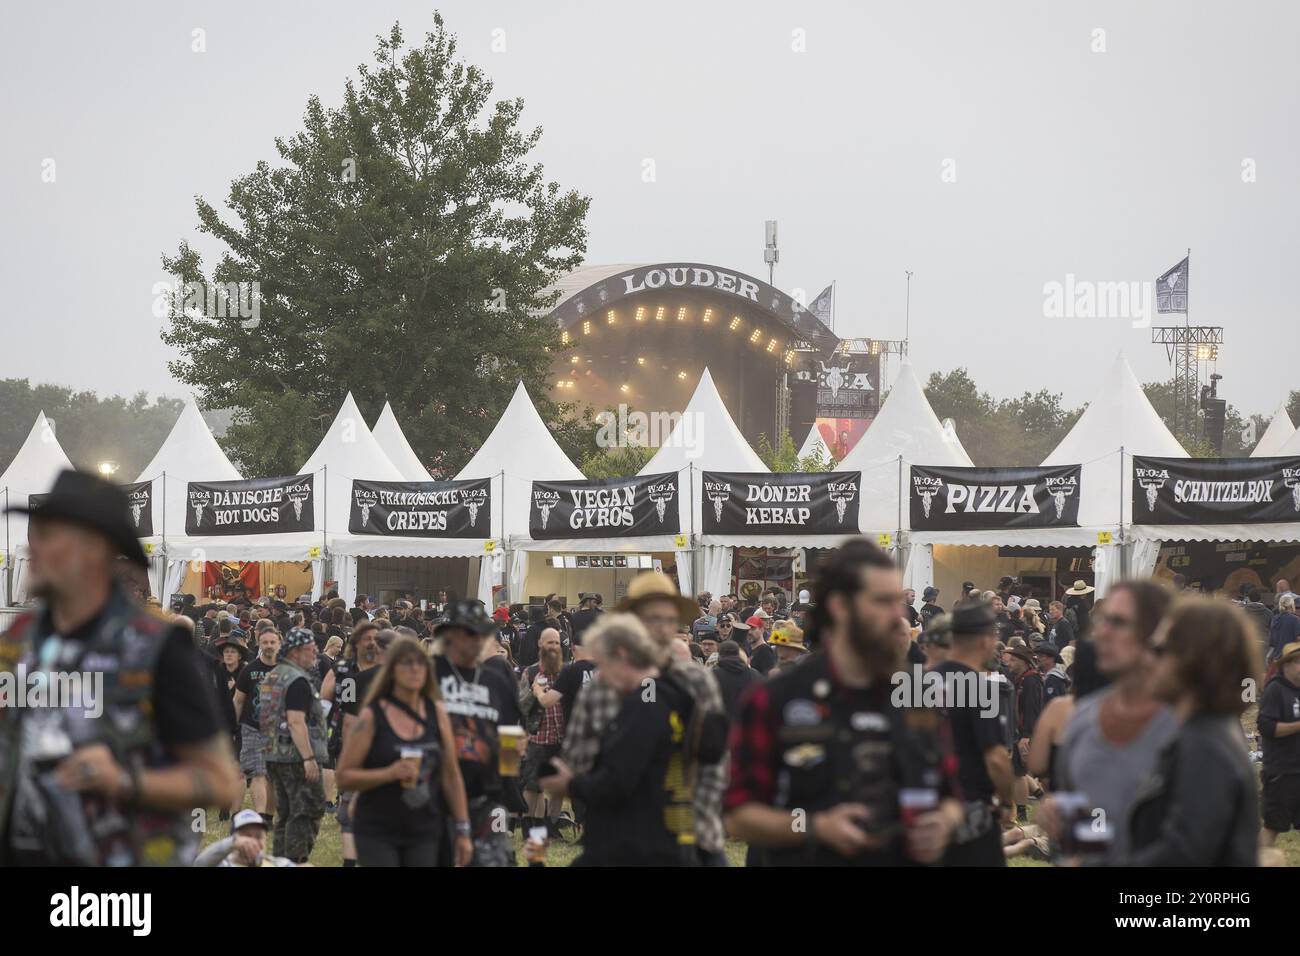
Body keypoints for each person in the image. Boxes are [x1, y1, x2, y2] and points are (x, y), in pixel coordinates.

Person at [0, 470, 241, 866]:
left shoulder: (155, 647)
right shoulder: (19, 639)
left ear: (93, 548)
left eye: (48, 535)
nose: (33, 549)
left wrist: (122, 781)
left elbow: (219, 781)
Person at [726, 540, 964, 866]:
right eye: (882, 602)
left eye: (898, 601)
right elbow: (740, 815)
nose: (898, 615)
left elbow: (951, 797)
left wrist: (944, 823)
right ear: (840, 607)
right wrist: (814, 826)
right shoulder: (775, 698)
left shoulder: (918, 694)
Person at [560, 571, 730, 866]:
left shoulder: (696, 681)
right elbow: (578, 758)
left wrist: (696, 827)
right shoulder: (602, 686)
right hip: (620, 838)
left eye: (668, 619)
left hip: (689, 836)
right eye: (652, 619)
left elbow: (714, 765)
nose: (661, 629)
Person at [1103, 597, 1260, 866]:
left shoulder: (1205, 746)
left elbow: (1183, 853)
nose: (1146, 658)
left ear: (1195, 659)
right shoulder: (1204, 734)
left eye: (1159, 648)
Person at [541, 614, 701, 866]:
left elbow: (619, 780)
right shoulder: (677, 694)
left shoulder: (642, 705)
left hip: (636, 842)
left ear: (623, 654)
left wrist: (570, 786)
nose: (601, 675)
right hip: (672, 834)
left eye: (603, 664)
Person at [1048, 580, 1176, 862]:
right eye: (1102, 621)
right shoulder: (1083, 718)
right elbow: (1082, 836)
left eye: (1118, 623)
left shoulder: (1192, 725)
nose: (1102, 633)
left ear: (1156, 634)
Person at [336, 635, 472, 866]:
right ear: (392, 670)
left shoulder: (436, 713)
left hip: (424, 825)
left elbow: (451, 774)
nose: (415, 669)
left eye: (420, 663)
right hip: (378, 826)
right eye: (407, 663)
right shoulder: (372, 716)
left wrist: (462, 829)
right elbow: (344, 776)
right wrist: (388, 773)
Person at [432, 600, 523, 867]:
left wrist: (506, 781)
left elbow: (510, 731)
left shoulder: (496, 678)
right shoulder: (431, 673)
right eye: (469, 632)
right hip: (436, 793)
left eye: (482, 633)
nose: (477, 639)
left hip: (486, 794)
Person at [929, 602, 1015, 866]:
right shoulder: (980, 688)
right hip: (971, 811)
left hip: (926, 811)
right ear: (986, 641)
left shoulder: (917, 682)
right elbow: (997, 759)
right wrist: (1006, 802)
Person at [259, 627, 328, 863]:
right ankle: (296, 861)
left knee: (285, 814)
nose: (315, 653)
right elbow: (296, 721)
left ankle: (280, 861)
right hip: (296, 757)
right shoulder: (297, 680)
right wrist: (308, 758)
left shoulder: (274, 675)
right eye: (311, 649)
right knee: (306, 812)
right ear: (297, 652)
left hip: (274, 755)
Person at [519, 628, 566, 836]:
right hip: (538, 737)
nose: (554, 647)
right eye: (549, 643)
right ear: (540, 644)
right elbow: (521, 706)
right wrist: (533, 690)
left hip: (561, 737)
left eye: (557, 643)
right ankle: (531, 829)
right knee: (533, 786)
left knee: (558, 787)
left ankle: (552, 828)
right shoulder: (530, 673)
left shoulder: (567, 672)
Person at [233, 627, 281, 825]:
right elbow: (238, 700)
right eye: (265, 642)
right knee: (258, 772)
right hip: (252, 727)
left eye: (272, 642)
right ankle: (260, 816)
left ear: (279, 644)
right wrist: (234, 727)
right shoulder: (249, 670)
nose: (269, 646)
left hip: (280, 729)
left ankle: (269, 816)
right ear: (259, 644)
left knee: (274, 777)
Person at [1258, 641, 1300, 847]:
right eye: (1299, 662)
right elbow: (1266, 727)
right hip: (1281, 773)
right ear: (1287, 665)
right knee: (1272, 827)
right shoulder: (1275, 689)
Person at [1004, 644, 1044, 822]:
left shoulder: (1031, 680)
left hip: (1023, 733)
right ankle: (1038, 794)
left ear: (1022, 661)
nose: (1009, 663)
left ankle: (1021, 813)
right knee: (1016, 769)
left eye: (1013, 660)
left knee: (1018, 773)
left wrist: (1026, 735)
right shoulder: (1018, 678)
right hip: (1016, 731)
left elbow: (1031, 709)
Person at [193, 808, 299, 867]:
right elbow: (200, 863)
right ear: (233, 838)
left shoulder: (278, 864)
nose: (252, 841)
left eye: (258, 836)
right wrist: (232, 843)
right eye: (246, 835)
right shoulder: (223, 864)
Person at [711, 640, 760, 719]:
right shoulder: (754, 674)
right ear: (738, 654)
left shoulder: (712, 675)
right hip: (746, 723)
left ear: (719, 655)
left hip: (721, 724)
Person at [1268, 594, 1300, 663]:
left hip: (1277, 658)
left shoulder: (1275, 619)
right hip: (1291, 658)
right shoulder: (1296, 620)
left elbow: (1272, 641)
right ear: (1292, 605)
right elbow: (1298, 639)